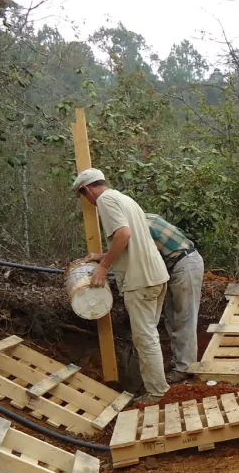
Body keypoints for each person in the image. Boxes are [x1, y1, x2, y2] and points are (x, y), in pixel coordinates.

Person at [72, 168, 169, 402]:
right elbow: (131, 240)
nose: (87, 201)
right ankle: (154, 387)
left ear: (87, 189)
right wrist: (104, 255)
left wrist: (104, 266)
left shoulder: (105, 200)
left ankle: (157, 393)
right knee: (149, 335)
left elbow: (123, 234)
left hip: (140, 280)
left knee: (145, 337)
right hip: (155, 275)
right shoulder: (124, 199)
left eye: (83, 196)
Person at [145, 212, 204, 382]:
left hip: (184, 264)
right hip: (179, 264)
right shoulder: (149, 217)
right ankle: (179, 361)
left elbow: (148, 256)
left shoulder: (139, 228)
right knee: (171, 317)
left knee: (185, 318)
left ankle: (185, 368)